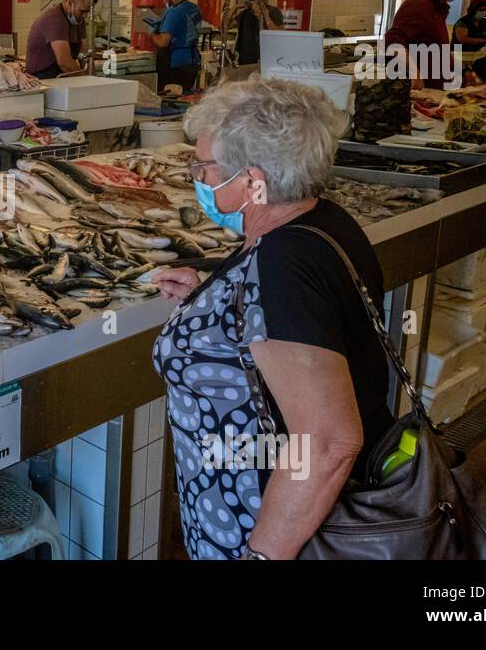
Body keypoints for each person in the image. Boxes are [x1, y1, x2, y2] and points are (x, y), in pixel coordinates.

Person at [150, 78, 395, 560]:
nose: (197, 177)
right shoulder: (322, 221)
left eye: (205, 167)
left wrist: (262, 556)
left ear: (253, 180)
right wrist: (211, 299)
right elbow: (284, 329)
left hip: (265, 522)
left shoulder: (283, 267)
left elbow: (327, 443)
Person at [384, 0, 465, 90]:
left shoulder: (437, 8)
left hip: (434, 87)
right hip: (418, 88)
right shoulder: (417, 6)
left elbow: (439, 49)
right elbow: (393, 41)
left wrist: (462, 70)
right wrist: (414, 72)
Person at [25, 0, 93, 79]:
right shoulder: (54, 19)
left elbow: (84, 53)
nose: (85, 16)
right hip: (42, 78)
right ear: (70, 3)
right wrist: (86, 79)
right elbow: (64, 62)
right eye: (82, 11)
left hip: (60, 76)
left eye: (87, 12)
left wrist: (91, 76)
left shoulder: (78, 20)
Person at [149, 0, 203, 93]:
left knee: (171, 99)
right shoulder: (195, 8)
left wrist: (151, 33)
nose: (164, 2)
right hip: (192, 62)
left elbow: (163, 42)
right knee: (185, 97)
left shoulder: (175, 12)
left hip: (176, 65)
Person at [232, 0, 284, 66]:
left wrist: (266, 16)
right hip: (244, 62)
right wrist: (234, 9)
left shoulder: (273, 12)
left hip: (264, 62)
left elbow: (280, 34)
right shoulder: (246, 12)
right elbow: (222, 28)